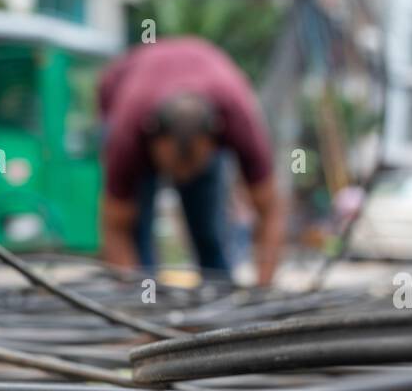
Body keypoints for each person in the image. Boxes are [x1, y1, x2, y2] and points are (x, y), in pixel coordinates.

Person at [97, 37, 285, 285]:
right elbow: (115, 226)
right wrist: (132, 302)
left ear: (215, 138)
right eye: (175, 166)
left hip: (211, 100)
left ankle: (220, 300)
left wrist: (263, 289)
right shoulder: (128, 133)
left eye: (191, 166)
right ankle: (145, 298)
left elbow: (269, 210)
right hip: (127, 102)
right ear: (153, 140)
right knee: (135, 233)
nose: (182, 177)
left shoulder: (238, 118)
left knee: (208, 233)